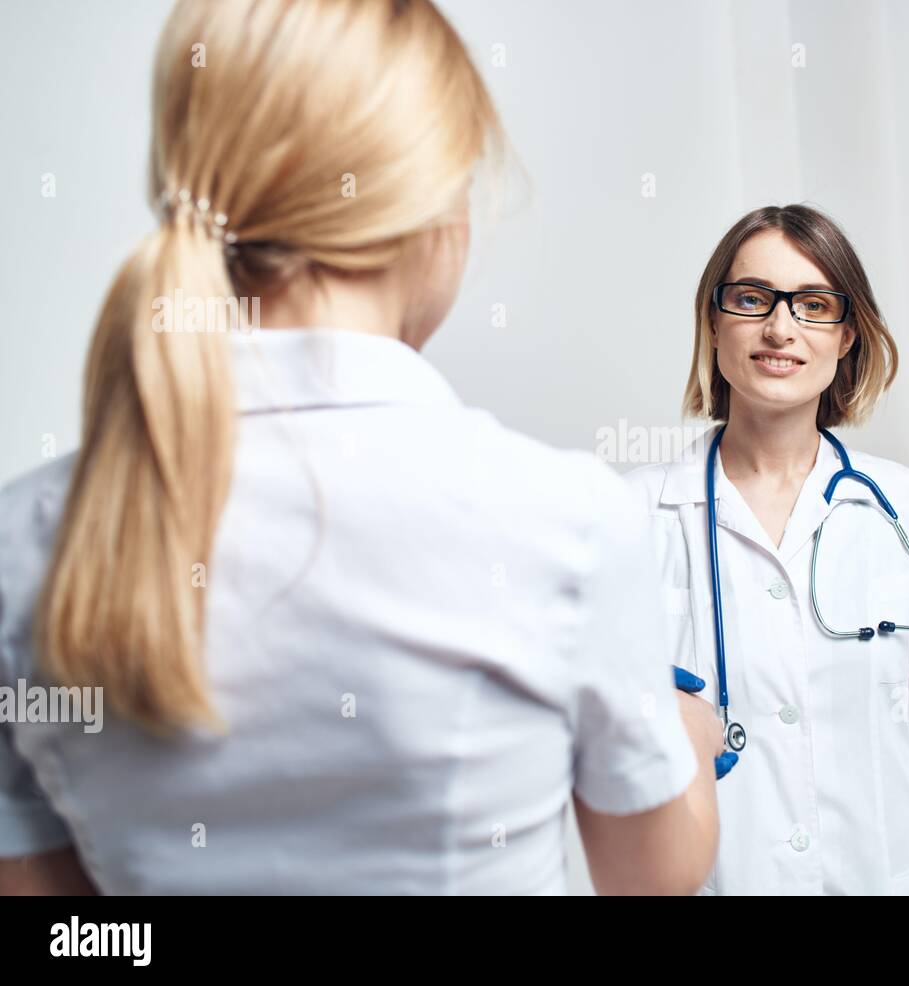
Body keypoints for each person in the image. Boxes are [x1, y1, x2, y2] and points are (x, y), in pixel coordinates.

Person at [0, 0, 719, 896]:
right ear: (436, 215)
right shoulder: (567, 520)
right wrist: (687, 733)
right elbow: (650, 882)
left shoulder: (19, 542)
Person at [626, 205, 909, 895]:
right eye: (752, 299)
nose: (780, 328)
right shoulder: (633, 515)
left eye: (813, 305)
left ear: (847, 335)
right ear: (714, 323)